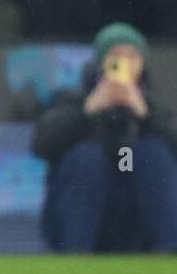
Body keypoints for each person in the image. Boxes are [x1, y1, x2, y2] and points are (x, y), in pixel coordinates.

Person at [33, 23, 177, 253]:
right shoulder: (71, 99)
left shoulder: (156, 106)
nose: (125, 65)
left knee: (154, 153)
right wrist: (87, 110)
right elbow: (41, 145)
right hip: (79, 219)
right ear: (101, 61)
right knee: (87, 157)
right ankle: (75, 256)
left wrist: (145, 114)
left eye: (132, 57)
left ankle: (169, 253)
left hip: (136, 221)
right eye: (117, 57)